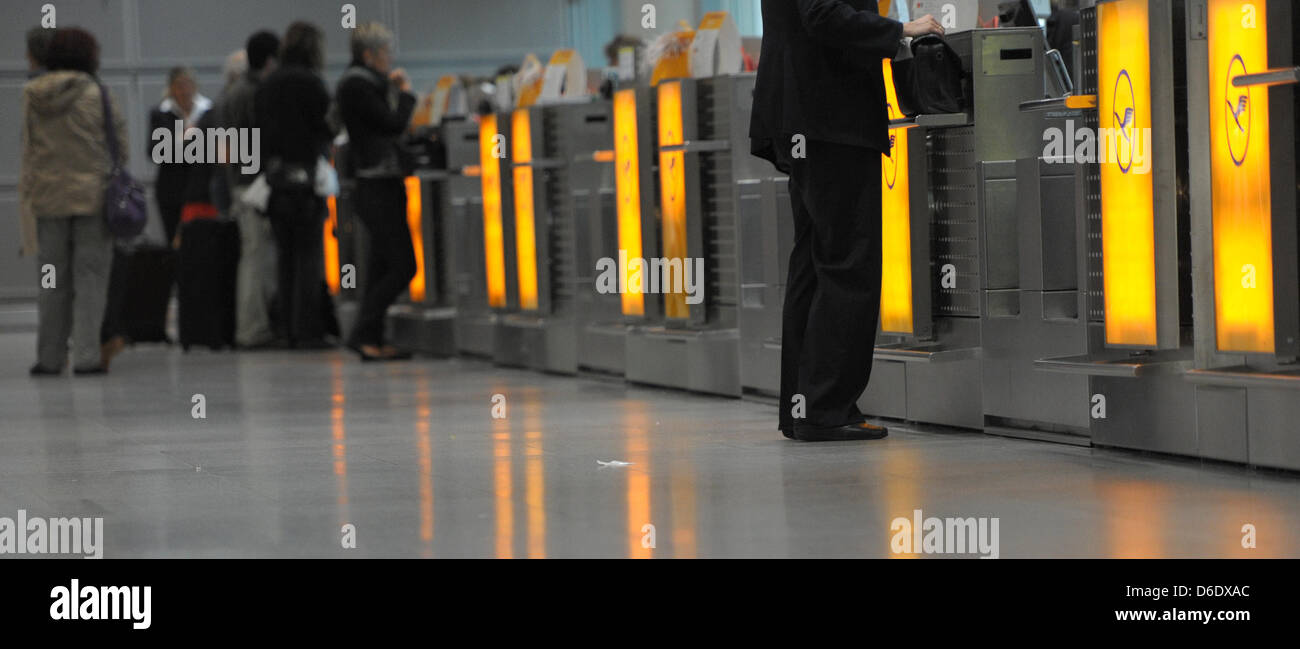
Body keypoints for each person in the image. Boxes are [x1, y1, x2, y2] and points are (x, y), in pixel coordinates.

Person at [749, 1, 942, 441]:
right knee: (848, 264)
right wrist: (900, 31)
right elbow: (821, 14)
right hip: (832, 119)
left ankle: (804, 408)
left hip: (806, 119)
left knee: (814, 267)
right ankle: (826, 408)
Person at [20, 27, 128, 376]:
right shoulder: (98, 93)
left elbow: (28, 146)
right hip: (92, 199)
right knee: (90, 279)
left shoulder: (32, 94)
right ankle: (85, 357)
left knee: (51, 281)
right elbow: (120, 146)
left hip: (48, 200)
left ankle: (49, 358)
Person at [336, 22, 417, 362]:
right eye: (386, 53)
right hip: (376, 184)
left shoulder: (360, 84)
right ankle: (362, 333)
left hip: (377, 183)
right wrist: (407, 96)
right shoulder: (358, 86)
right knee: (403, 266)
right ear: (369, 55)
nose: (389, 59)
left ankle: (372, 336)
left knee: (383, 266)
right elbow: (391, 123)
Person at [255, 21, 334, 349]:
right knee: (309, 256)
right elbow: (324, 127)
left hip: (276, 181)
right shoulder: (313, 84)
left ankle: (285, 328)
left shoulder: (268, 84)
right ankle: (308, 329)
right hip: (305, 179)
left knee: (285, 258)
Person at [221, 31, 281, 349]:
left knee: (253, 256)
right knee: (255, 257)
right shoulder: (254, 92)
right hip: (253, 184)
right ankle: (251, 329)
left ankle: (252, 325)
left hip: (241, 182)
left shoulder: (234, 91)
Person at [149, 67, 212, 246]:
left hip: (200, 186)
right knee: (173, 241)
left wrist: (179, 143)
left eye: (188, 84)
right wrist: (186, 141)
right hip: (171, 188)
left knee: (201, 240)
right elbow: (155, 151)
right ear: (171, 89)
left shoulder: (207, 111)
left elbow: (212, 148)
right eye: (179, 86)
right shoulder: (161, 113)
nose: (184, 90)